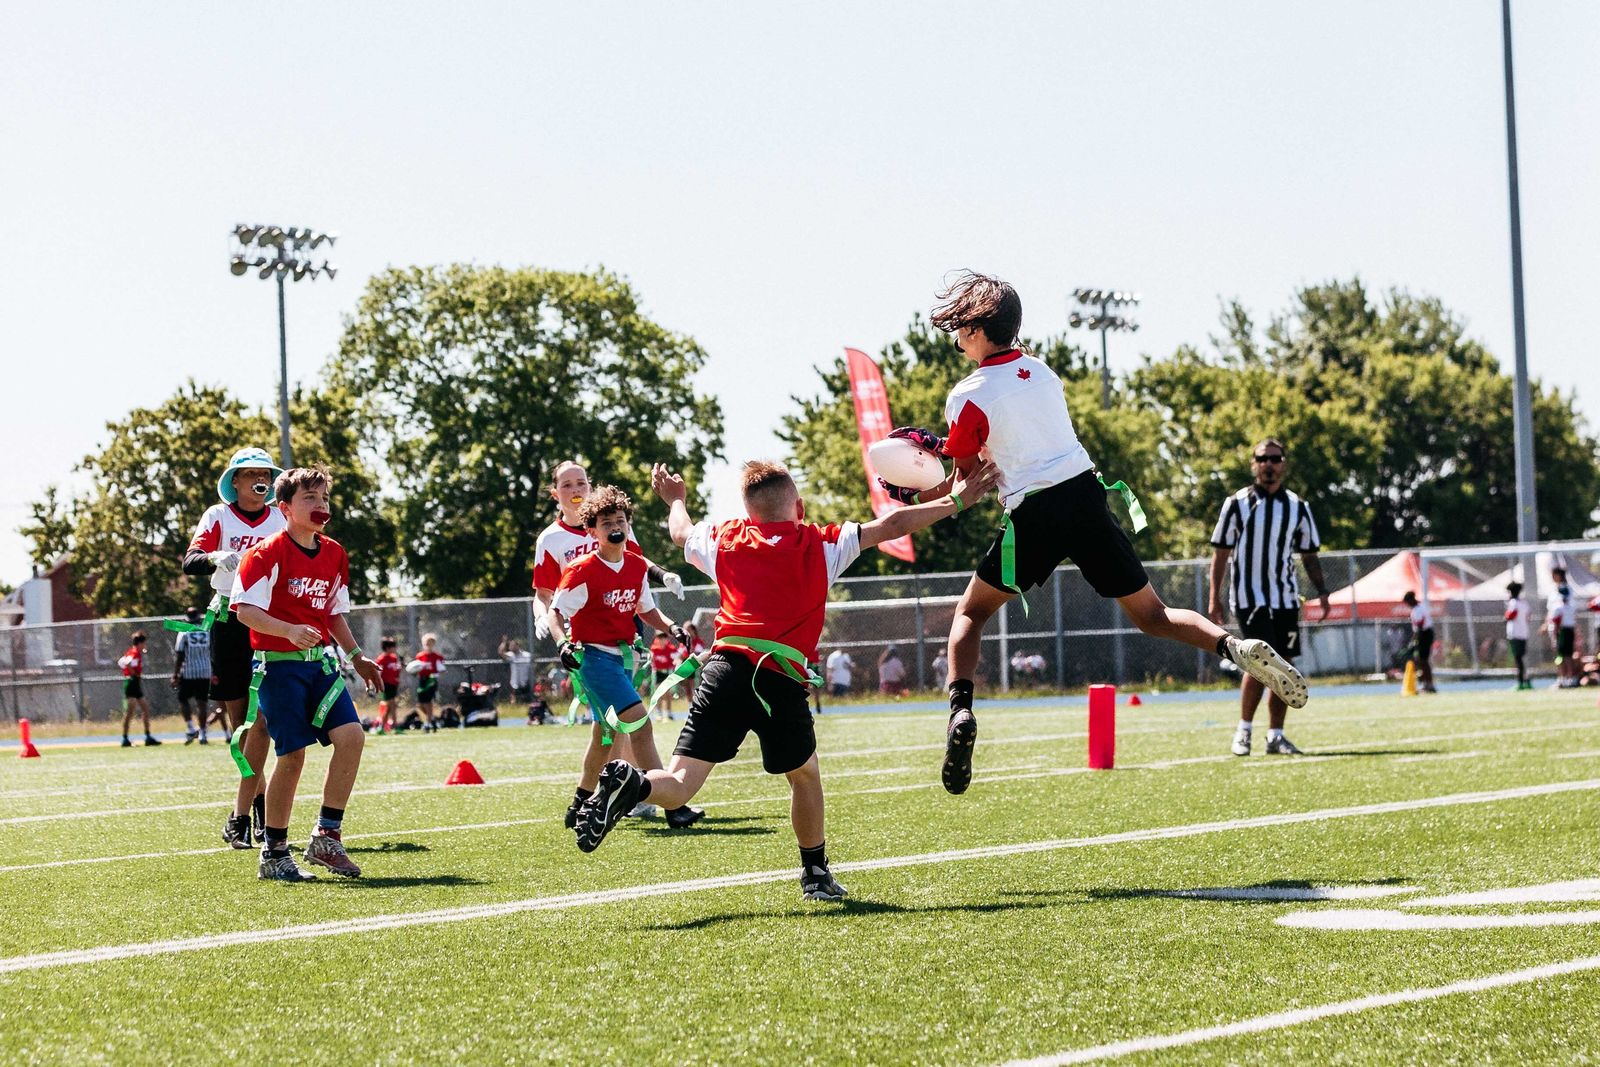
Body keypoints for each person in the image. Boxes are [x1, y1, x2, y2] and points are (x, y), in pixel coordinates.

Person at [897, 272, 1306, 795]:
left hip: (1035, 513)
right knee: (1154, 617)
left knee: (971, 615)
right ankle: (1234, 646)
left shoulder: (968, 394)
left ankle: (959, 712)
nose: (954, 334)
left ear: (976, 329)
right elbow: (1005, 441)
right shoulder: (1043, 373)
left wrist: (910, 491)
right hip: (1086, 495)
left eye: (959, 324)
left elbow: (962, 484)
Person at [571, 456, 999, 900]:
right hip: (779, 680)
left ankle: (636, 782)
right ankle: (815, 874)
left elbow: (680, 530)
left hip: (723, 671)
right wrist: (958, 499)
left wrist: (675, 498)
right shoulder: (820, 542)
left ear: (748, 512)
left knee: (678, 787)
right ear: (798, 507)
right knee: (805, 776)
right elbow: (892, 524)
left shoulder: (727, 537)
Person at [230, 465, 382, 881]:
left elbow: (333, 613)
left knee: (352, 737)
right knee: (292, 757)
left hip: (320, 666)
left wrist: (357, 656)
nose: (320, 506)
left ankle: (326, 837)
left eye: (325, 499)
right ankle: (274, 852)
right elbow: (245, 611)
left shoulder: (334, 553)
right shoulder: (265, 553)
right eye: (309, 499)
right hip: (278, 670)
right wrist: (288, 630)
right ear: (285, 508)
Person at [530, 458, 689, 818]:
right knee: (639, 724)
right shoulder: (576, 565)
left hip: (623, 651)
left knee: (604, 736)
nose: (616, 527)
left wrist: (671, 624)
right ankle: (668, 803)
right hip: (593, 655)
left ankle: (581, 803)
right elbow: (551, 604)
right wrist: (558, 638)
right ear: (593, 530)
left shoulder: (632, 562)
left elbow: (645, 606)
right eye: (566, 484)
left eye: (580, 482)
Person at [182, 446, 286, 846]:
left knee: (264, 722)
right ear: (236, 481)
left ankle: (254, 816)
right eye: (251, 473)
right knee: (241, 723)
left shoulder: (280, 516)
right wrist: (214, 557)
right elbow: (190, 560)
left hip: (266, 618)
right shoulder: (218, 515)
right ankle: (252, 813)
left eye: (265, 472)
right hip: (228, 619)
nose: (259, 479)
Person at [1207, 437, 1329, 757]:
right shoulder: (1236, 504)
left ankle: (1275, 735)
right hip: (1250, 597)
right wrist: (1214, 598)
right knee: (1258, 662)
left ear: (1283, 464)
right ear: (1254, 463)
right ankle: (1244, 730)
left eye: (1275, 459)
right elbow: (1220, 555)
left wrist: (1323, 592)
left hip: (1285, 598)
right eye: (1263, 458)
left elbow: (1309, 554)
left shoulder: (1297, 507)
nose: (1269, 464)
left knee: (1285, 666)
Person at [172, 608, 214, 743]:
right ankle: (202, 734)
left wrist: (175, 674)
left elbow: (180, 654)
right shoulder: (207, 631)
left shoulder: (184, 632)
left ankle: (190, 728)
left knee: (183, 699)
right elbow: (212, 651)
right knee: (202, 703)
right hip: (205, 671)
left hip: (189, 671)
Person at [118, 631, 158, 747]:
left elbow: (121, 661)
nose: (145, 646)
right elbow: (126, 663)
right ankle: (125, 738)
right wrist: (133, 673)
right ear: (140, 643)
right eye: (144, 643)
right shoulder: (134, 652)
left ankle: (148, 736)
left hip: (135, 683)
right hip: (131, 683)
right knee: (130, 712)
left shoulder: (133, 651)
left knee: (145, 708)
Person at [1548, 566, 1578, 688]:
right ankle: (1565, 678)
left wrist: (1555, 626)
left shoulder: (1564, 590)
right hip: (1562, 626)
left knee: (1563, 655)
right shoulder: (1559, 590)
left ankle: (1566, 678)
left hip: (1562, 627)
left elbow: (1558, 611)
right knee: (1563, 654)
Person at [1401, 590, 1437, 693]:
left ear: (1411, 600)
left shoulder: (1418, 610)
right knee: (1420, 660)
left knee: (1423, 660)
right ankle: (1425, 682)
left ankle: (1429, 685)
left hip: (1425, 634)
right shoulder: (1419, 608)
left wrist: (1413, 641)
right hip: (1424, 634)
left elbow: (1420, 627)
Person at [410, 634, 443, 731]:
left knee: (428, 702)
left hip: (431, 680)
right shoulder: (420, 656)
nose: (428, 645)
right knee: (420, 704)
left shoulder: (436, 656)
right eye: (426, 643)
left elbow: (441, 669)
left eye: (430, 643)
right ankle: (432, 719)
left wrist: (436, 672)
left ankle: (428, 723)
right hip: (422, 680)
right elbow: (415, 669)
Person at [1505, 581, 1532, 690]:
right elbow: (1528, 617)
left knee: (1518, 659)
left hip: (1515, 634)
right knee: (1521, 658)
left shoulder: (1513, 603)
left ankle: (1521, 682)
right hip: (1524, 633)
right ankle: (1526, 681)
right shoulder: (1524, 603)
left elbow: (1510, 615)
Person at [374, 637, 403, 732]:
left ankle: (381, 727)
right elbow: (377, 672)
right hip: (386, 685)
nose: (395, 649)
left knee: (389, 707)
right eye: (393, 647)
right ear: (387, 648)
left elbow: (397, 670)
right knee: (393, 705)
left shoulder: (394, 658)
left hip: (394, 684)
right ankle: (395, 726)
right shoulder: (382, 659)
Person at [648, 631, 678, 718]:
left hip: (667, 673)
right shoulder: (654, 649)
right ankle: (658, 712)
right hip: (658, 673)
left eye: (664, 637)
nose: (662, 640)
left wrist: (675, 663)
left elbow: (677, 658)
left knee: (668, 694)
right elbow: (651, 659)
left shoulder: (671, 649)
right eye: (660, 638)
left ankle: (669, 713)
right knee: (658, 693)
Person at [500, 636, 533, 702]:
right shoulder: (511, 655)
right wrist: (504, 643)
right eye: (510, 646)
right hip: (515, 682)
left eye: (513, 645)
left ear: (518, 645)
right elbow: (501, 653)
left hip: (526, 681)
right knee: (516, 700)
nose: (511, 647)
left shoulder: (527, 655)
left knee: (527, 700)